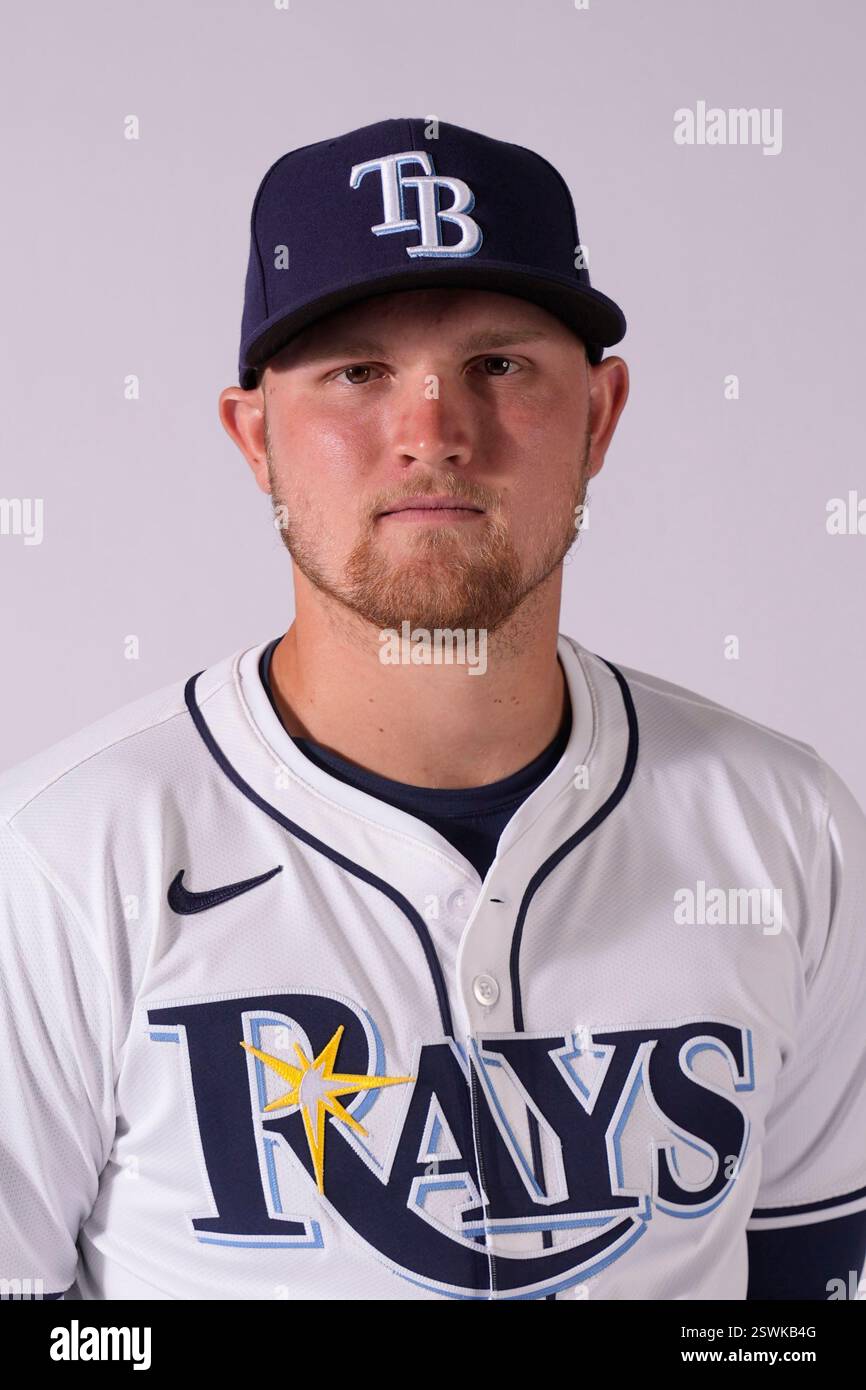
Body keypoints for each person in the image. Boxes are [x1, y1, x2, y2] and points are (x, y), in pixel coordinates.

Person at [1, 117, 864, 1302]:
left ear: (600, 416)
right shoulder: (57, 860)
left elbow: (803, 1306)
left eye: (498, 366)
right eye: (357, 371)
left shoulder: (784, 826)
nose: (431, 432)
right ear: (254, 436)